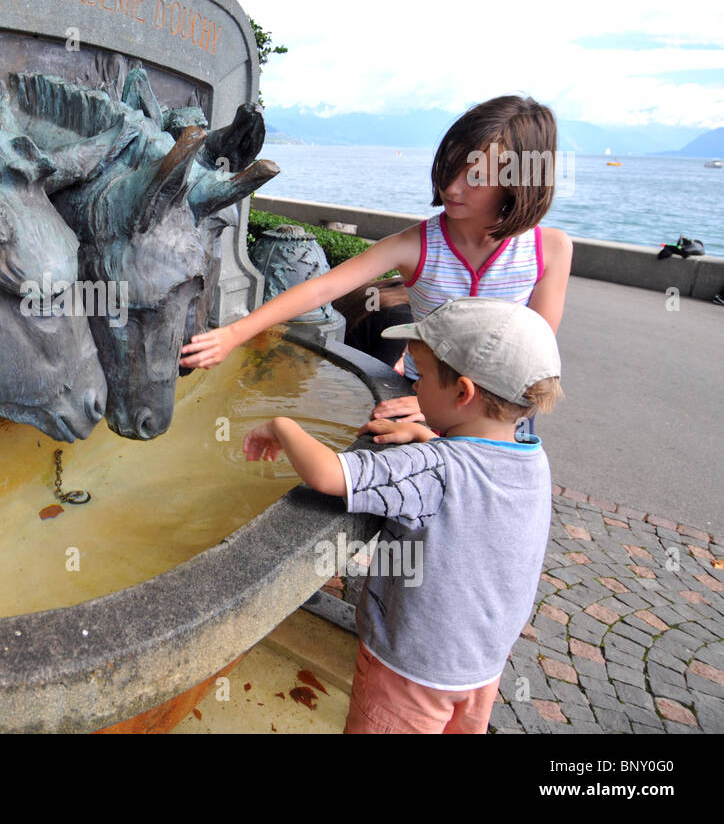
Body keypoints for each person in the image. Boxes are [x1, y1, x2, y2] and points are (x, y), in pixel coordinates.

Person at [242, 298, 563, 733]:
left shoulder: (434, 469)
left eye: (421, 378)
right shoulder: (531, 459)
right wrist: (428, 435)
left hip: (410, 669)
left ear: (463, 392)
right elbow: (475, 469)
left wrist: (282, 425)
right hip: (480, 668)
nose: (412, 389)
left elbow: (330, 475)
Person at [181, 95, 573, 424]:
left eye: (476, 177)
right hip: (420, 401)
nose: (452, 186)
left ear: (518, 181)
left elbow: (533, 359)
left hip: (502, 411)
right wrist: (234, 333)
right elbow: (323, 287)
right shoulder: (417, 245)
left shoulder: (550, 250)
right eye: (452, 167)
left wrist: (440, 411)